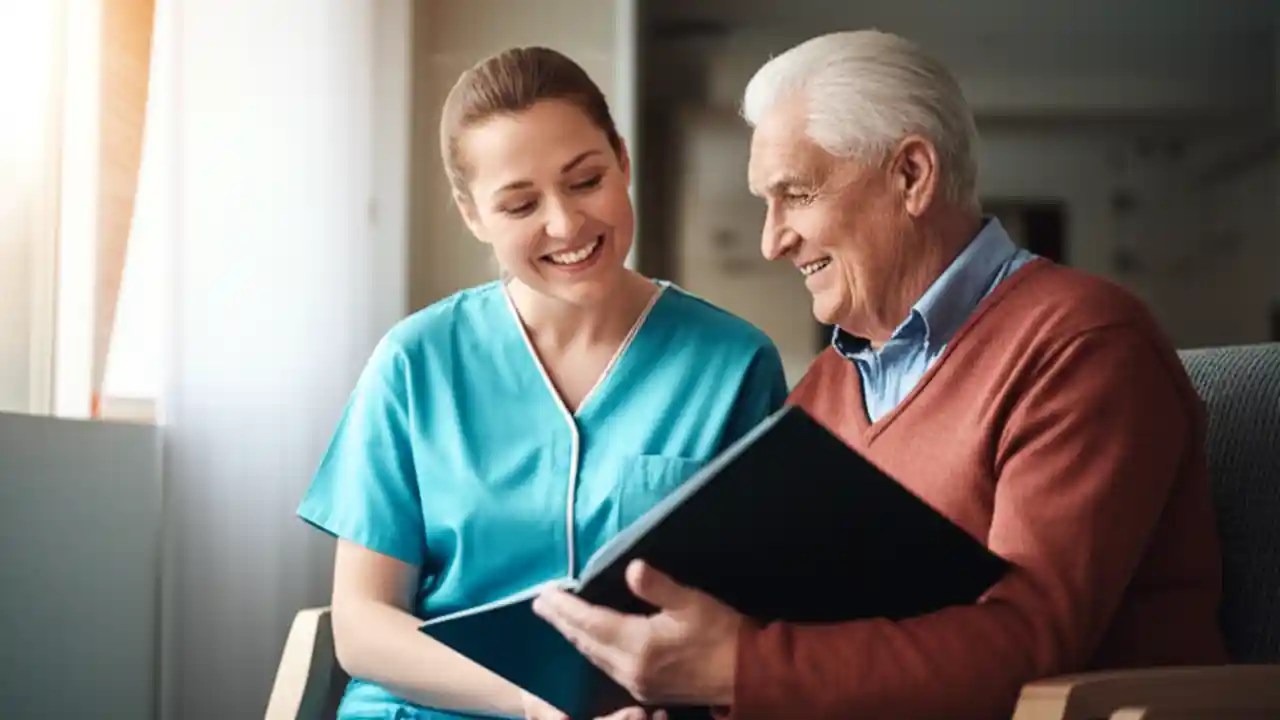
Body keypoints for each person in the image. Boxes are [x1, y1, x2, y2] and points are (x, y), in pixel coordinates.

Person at [533, 30, 1228, 719]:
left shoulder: (1082, 344)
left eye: (796, 195)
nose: (772, 240)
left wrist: (737, 668)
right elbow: (798, 639)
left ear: (912, 176)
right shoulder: (824, 390)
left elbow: (1030, 643)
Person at [297, 46, 787, 720]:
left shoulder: (734, 366)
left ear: (623, 159)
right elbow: (362, 622)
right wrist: (533, 702)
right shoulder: (414, 363)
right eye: (520, 204)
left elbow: (751, 615)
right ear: (474, 216)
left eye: (586, 181)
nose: (565, 224)